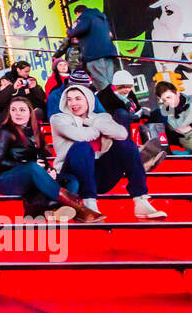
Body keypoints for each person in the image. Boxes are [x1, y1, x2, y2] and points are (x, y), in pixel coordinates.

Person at [50, 85, 167, 219]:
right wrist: (97, 129)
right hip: (73, 175)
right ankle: (89, 205)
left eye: (78, 99)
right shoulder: (59, 119)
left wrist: (90, 121)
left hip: (101, 174)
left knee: (126, 144)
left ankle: (141, 201)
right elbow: (80, 136)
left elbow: (122, 134)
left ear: (88, 100)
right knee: (82, 147)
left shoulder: (101, 117)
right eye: (69, 99)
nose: (73, 103)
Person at [0, 97, 100, 222]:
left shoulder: (35, 131)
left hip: (33, 174)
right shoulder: (4, 131)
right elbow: (0, 161)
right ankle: (78, 208)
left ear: (29, 112)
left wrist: (49, 169)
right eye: (14, 110)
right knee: (32, 168)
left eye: (22, 110)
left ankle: (54, 209)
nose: (17, 113)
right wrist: (28, 165)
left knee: (71, 180)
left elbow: (41, 158)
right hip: (7, 178)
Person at [99, 70, 167, 172]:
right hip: (118, 123)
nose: (127, 90)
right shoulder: (104, 95)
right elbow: (105, 115)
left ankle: (160, 145)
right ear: (116, 86)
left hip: (135, 121)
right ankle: (129, 150)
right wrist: (129, 115)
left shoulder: (129, 94)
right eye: (124, 87)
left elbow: (137, 108)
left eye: (129, 87)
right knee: (122, 113)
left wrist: (141, 112)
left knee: (160, 113)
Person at [68, 4, 121, 91]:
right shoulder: (101, 17)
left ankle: (112, 102)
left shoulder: (84, 17)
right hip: (108, 53)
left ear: (78, 13)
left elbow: (78, 30)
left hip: (94, 54)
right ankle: (117, 100)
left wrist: (70, 30)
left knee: (101, 84)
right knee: (109, 82)